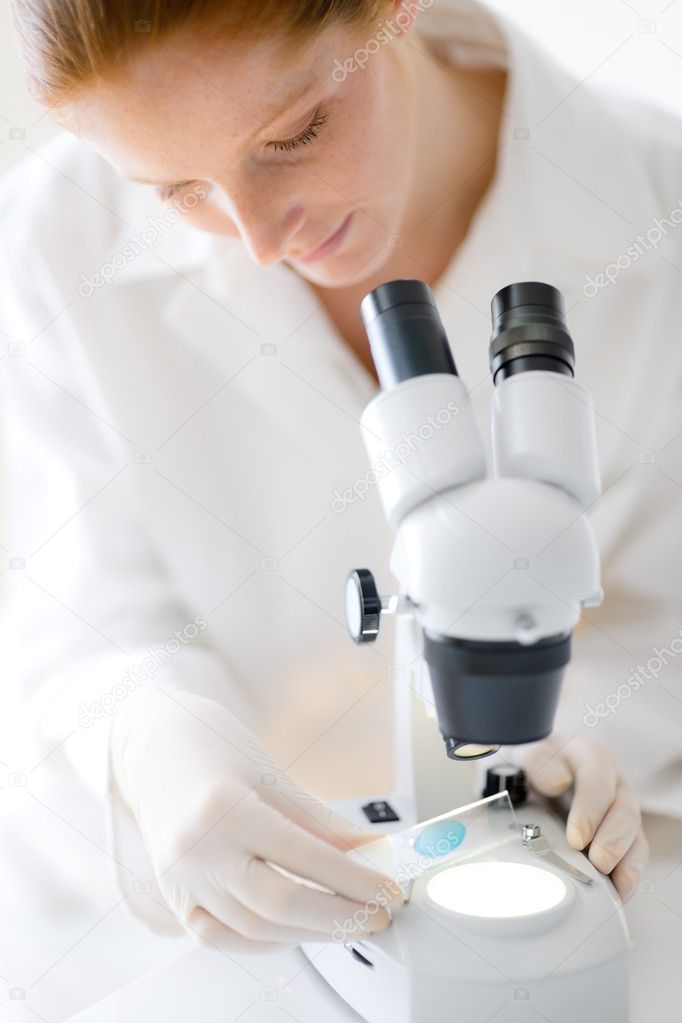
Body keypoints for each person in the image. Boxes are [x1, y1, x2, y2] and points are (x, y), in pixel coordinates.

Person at [8, 0, 682, 972]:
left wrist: (577, 739)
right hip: (140, 966)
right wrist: (148, 741)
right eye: (176, 192)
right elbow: (80, 617)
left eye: (293, 135)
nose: (258, 239)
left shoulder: (655, 205)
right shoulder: (52, 244)